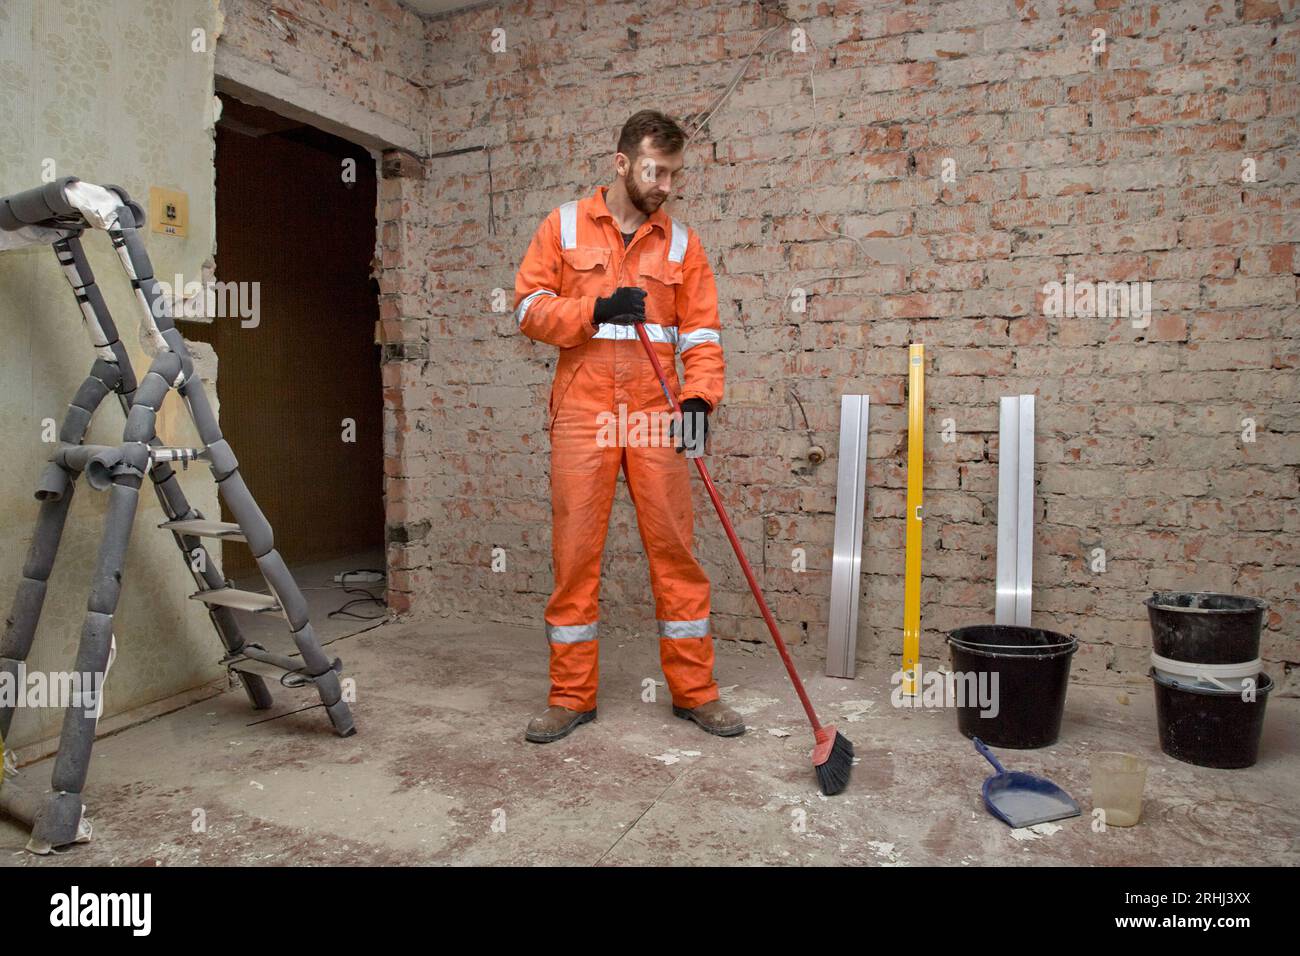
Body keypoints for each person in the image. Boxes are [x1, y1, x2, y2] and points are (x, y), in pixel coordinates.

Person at [513, 110, 745, 743]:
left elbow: (700, 333)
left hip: (654, 414)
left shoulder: (681, 244)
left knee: (675, 553)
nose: (666, 184)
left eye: (674, 173)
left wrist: (699, 402)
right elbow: (529, 309)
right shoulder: (562, 226)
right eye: (655, 170)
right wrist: (595, 309)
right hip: (584, 413)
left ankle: (695, 693)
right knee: (575, 556)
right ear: (621, 164)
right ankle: (570, 696)